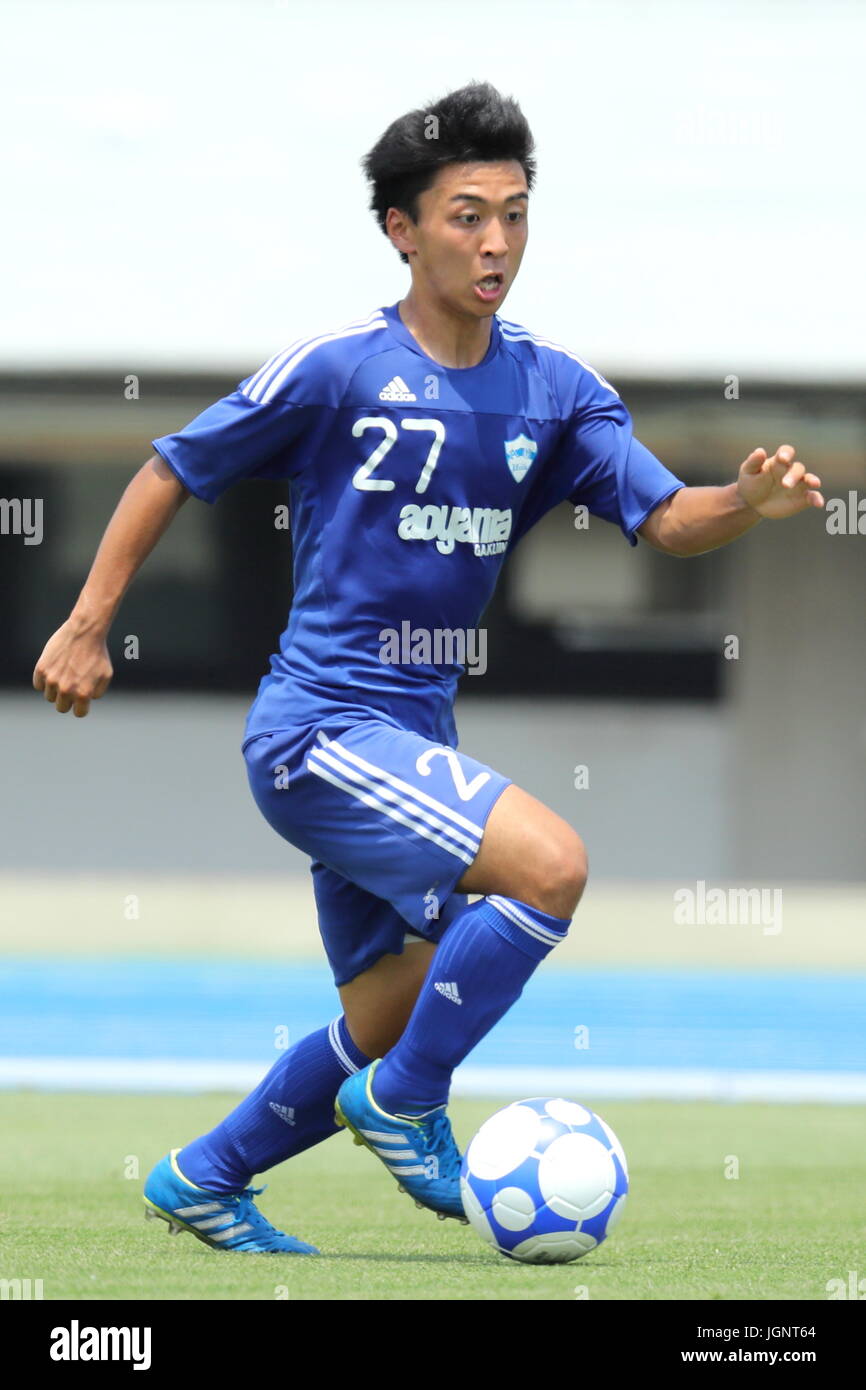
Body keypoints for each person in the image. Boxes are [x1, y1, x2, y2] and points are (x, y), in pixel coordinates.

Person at [32, 81, 824, 1255]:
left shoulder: (554, 389)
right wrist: (89, 621)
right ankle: (406, 1104)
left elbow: (665, 519)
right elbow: (168, 467)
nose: (495, 240)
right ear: (401, 230)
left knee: (388, 1009)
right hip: (318, 730)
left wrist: (744, 504)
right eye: (464, 215)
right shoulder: (336, 369)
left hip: (409, 740)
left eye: (512, 213)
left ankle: (203, 1177)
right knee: (550, 867)